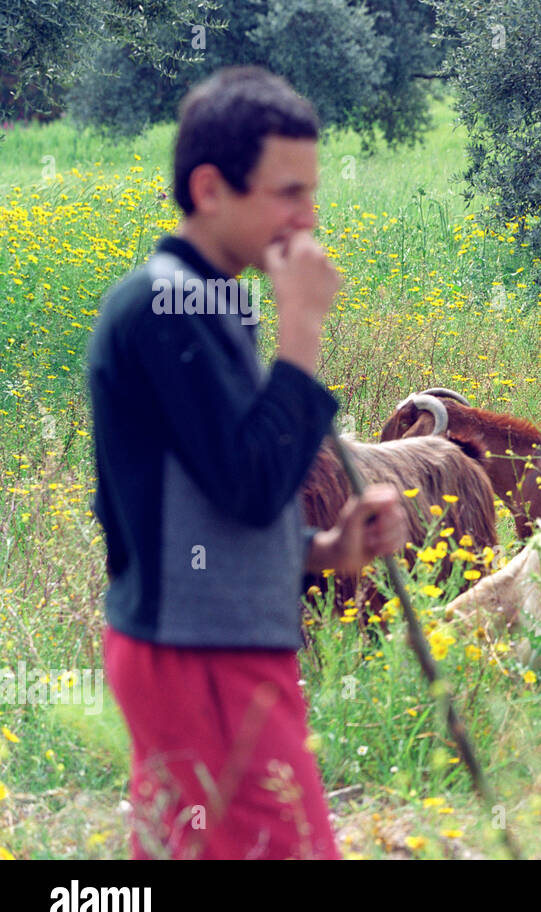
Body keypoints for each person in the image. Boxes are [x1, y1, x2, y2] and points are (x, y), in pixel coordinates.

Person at [87, 67, 404, 860]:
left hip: (211, 645)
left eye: (312, 193)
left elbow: (205, 505)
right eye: (287, 193)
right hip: (200, 654)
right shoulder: (166, 304)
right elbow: (253, 483)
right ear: (209, 187)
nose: (308, 217)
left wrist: (328, 552)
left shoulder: (212, 302)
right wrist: (303, 326)